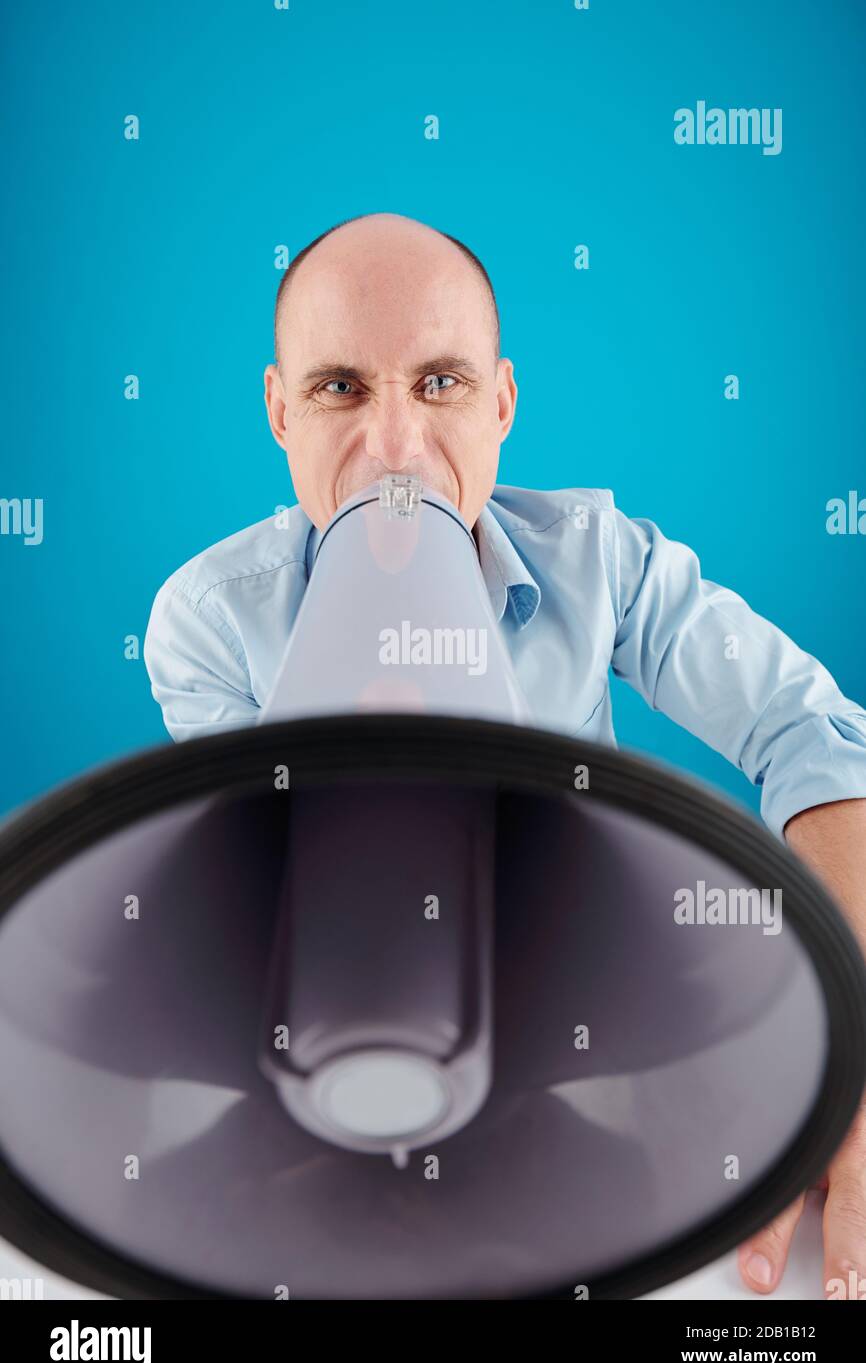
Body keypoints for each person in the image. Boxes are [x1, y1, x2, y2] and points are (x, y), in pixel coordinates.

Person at [144, 212, 866, 1299]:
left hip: (607, 1033)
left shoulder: (602, 561)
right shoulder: (205, 620)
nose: (393, 449)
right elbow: (280, 889)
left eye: (437, 383)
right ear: (278, 410)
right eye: (341, 388)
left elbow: (810, 733)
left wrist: (842, 1055)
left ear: (500, 405)